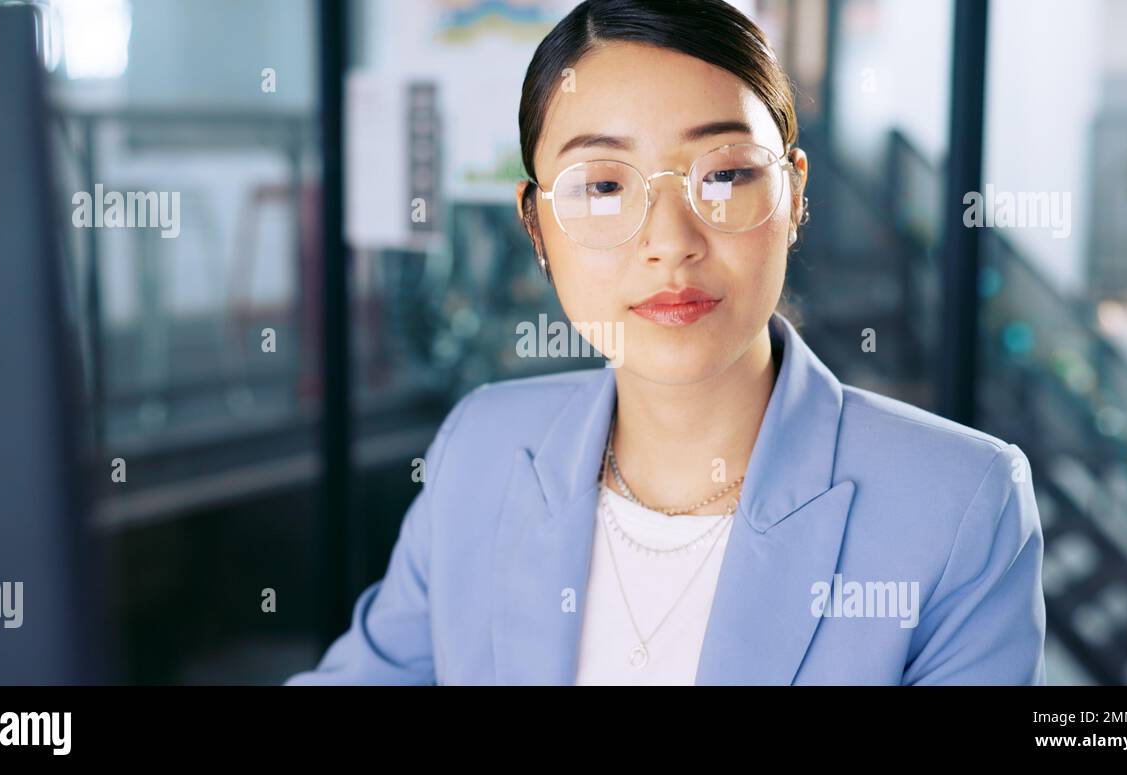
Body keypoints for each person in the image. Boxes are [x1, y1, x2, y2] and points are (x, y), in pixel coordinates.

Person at [287, 0, 1046, 685]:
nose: (670, 243)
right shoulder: (482, 448)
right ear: (535, 227)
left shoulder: (959, 506)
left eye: (724, 176)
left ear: (793, 196)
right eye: (603, 186)